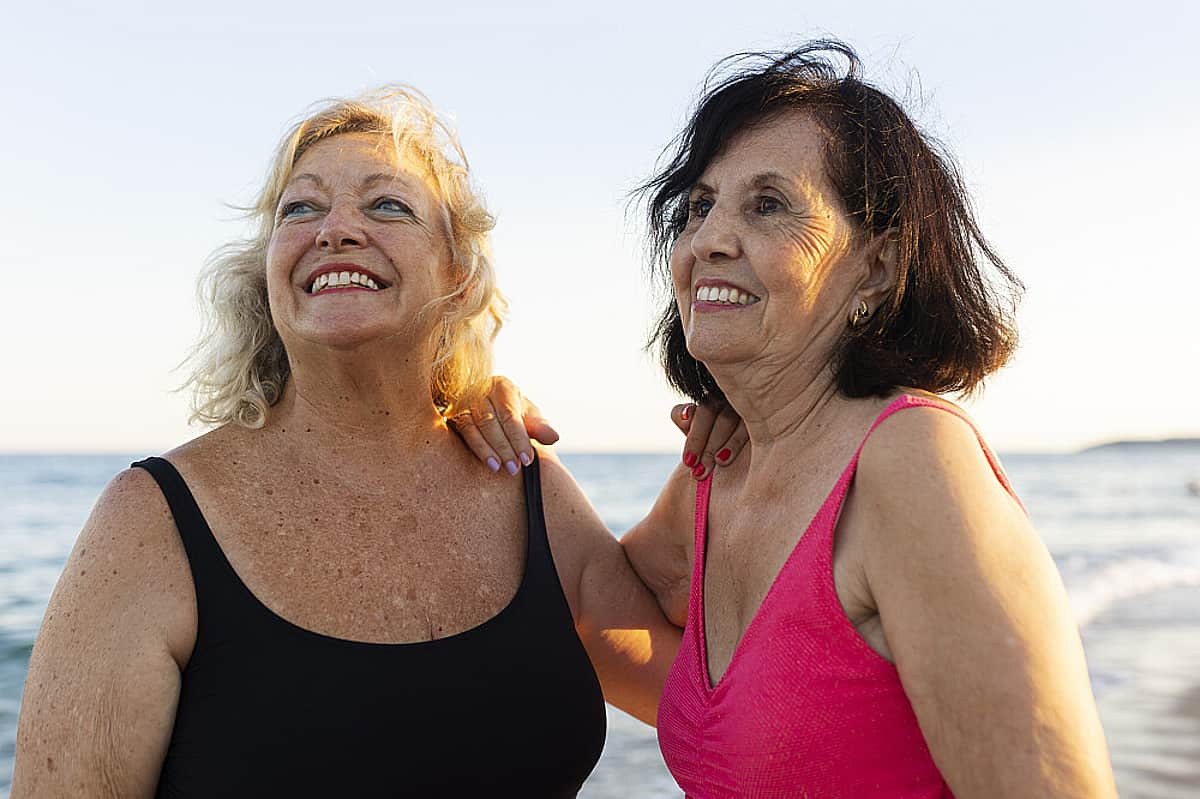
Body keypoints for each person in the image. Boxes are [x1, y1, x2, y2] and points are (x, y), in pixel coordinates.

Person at [12, 87, 738, 798]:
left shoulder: (527, 486)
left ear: (457, 275)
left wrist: (736, 434)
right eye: (301, 207)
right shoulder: (151, 523)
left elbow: (710, 719)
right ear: (266, 272)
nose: (335, 229)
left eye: (387, 204)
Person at [620, 42, 1120, 797]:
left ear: (878, 268)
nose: (709, 241)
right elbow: (591, 600)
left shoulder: (911, 460)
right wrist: (464, 405)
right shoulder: (718, 478)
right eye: (699, 205)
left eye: (768, 204)